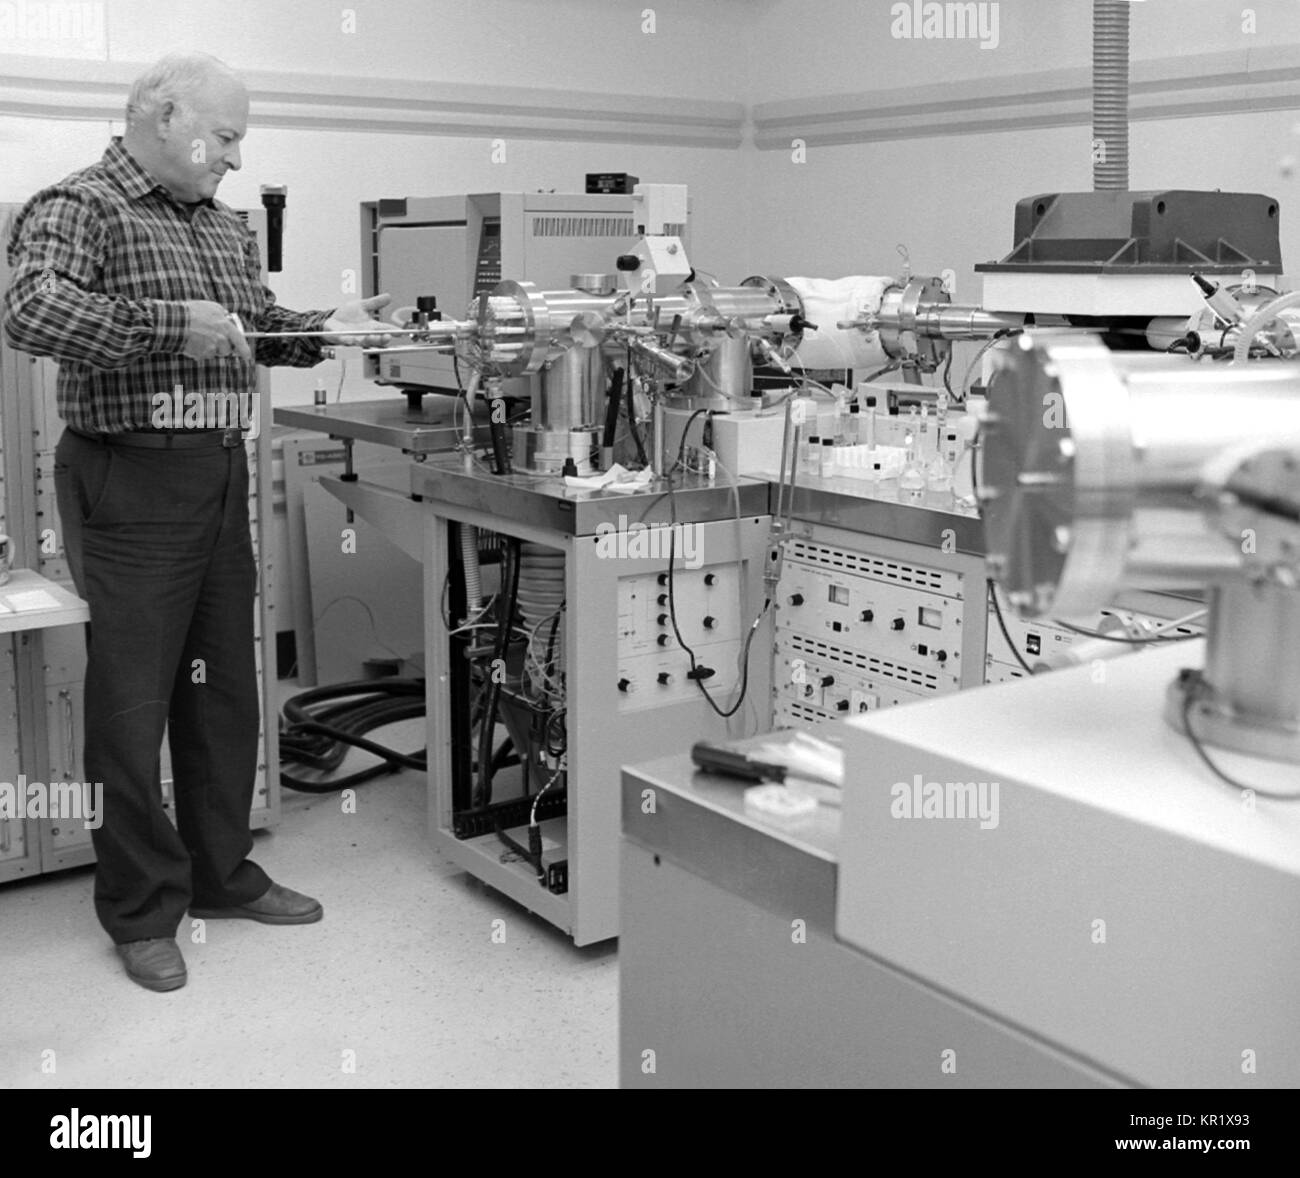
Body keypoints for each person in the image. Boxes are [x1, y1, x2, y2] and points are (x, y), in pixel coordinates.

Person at [2, 52, 394, 992]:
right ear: (163, 116)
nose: (231, 157)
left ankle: (221, 874)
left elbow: (252, 327)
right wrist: (169, 327)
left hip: (218, 473)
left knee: (222, 695)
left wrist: (332, 330)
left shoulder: (224, 227)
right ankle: (140, 908)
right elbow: (29, 310)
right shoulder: (80, 206)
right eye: (223, 137)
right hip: (129, 480)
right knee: (132, 705)